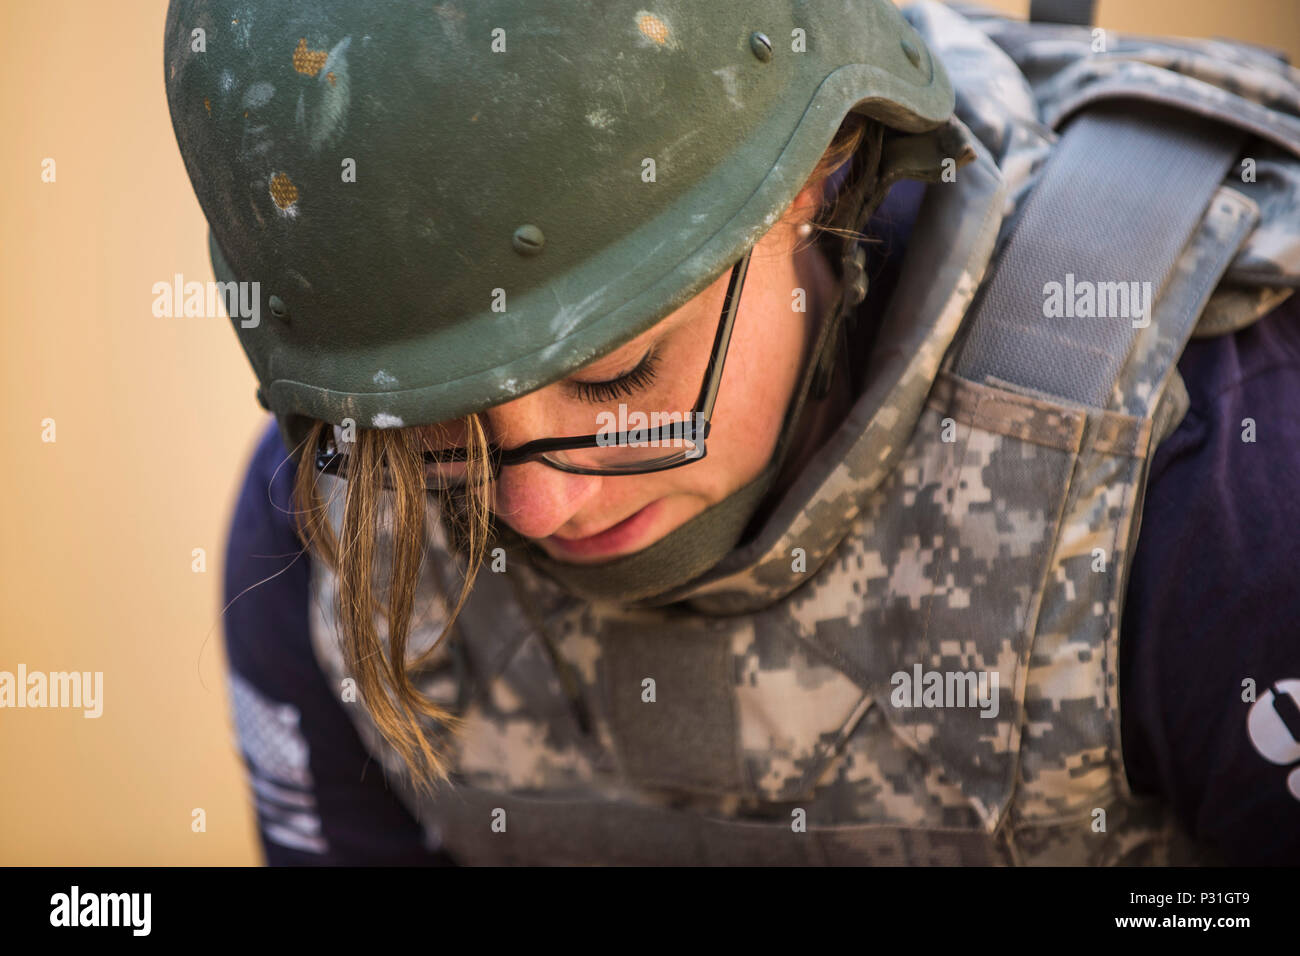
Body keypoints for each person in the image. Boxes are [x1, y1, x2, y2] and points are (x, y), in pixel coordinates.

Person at [166, 0, 1300, 865]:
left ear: (824, 173)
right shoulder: (338, 532)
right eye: (432, 425)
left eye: (617, 375)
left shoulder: (1210, 474)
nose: (535, 506)